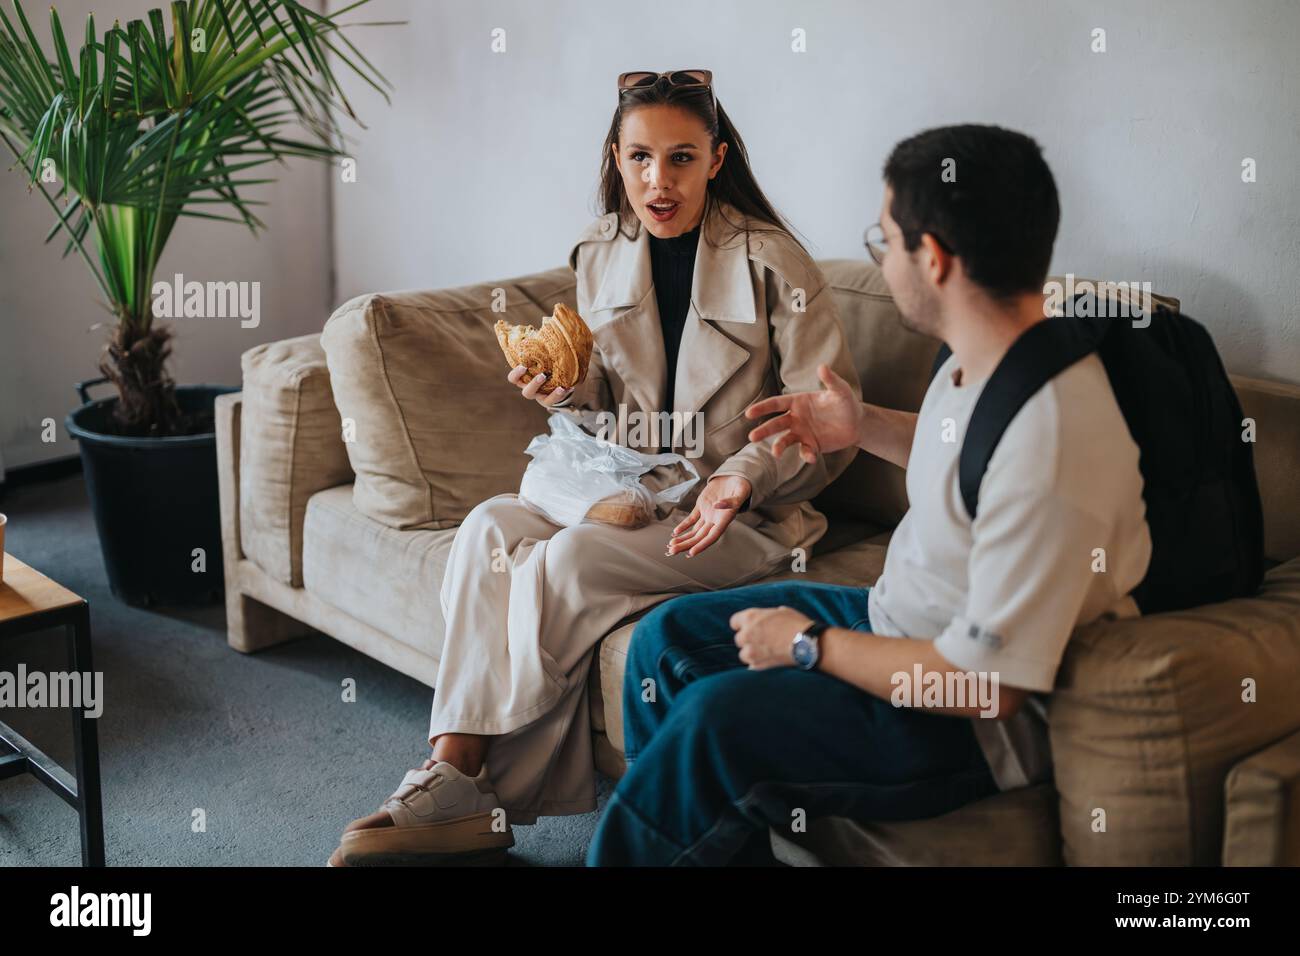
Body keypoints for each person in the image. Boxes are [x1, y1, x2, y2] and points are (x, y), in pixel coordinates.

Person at [329, 70, 862, 865]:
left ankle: (462, 784)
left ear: (717, 160)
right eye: (640, 157)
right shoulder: (599, 252)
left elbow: (828, 425)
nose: (659, 180)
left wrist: (738, 477)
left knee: (568, 560)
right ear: (616, 157)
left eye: (682, 158)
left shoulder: (778, 267)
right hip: (628, 488)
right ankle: (454, 775)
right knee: (486, 530)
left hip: (741, 519)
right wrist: (567, 389)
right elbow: (604, 407)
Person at [586, 124, 1153, 866]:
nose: (880, 263)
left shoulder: (1054, 435)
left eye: (885, 242)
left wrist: (807, 644)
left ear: (937, 260)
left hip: (963, 718)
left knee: (713, 721)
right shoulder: (991, 354)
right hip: (898, 622)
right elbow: (968, 463)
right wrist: (858, 427)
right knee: (667, 643)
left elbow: (988, 686)